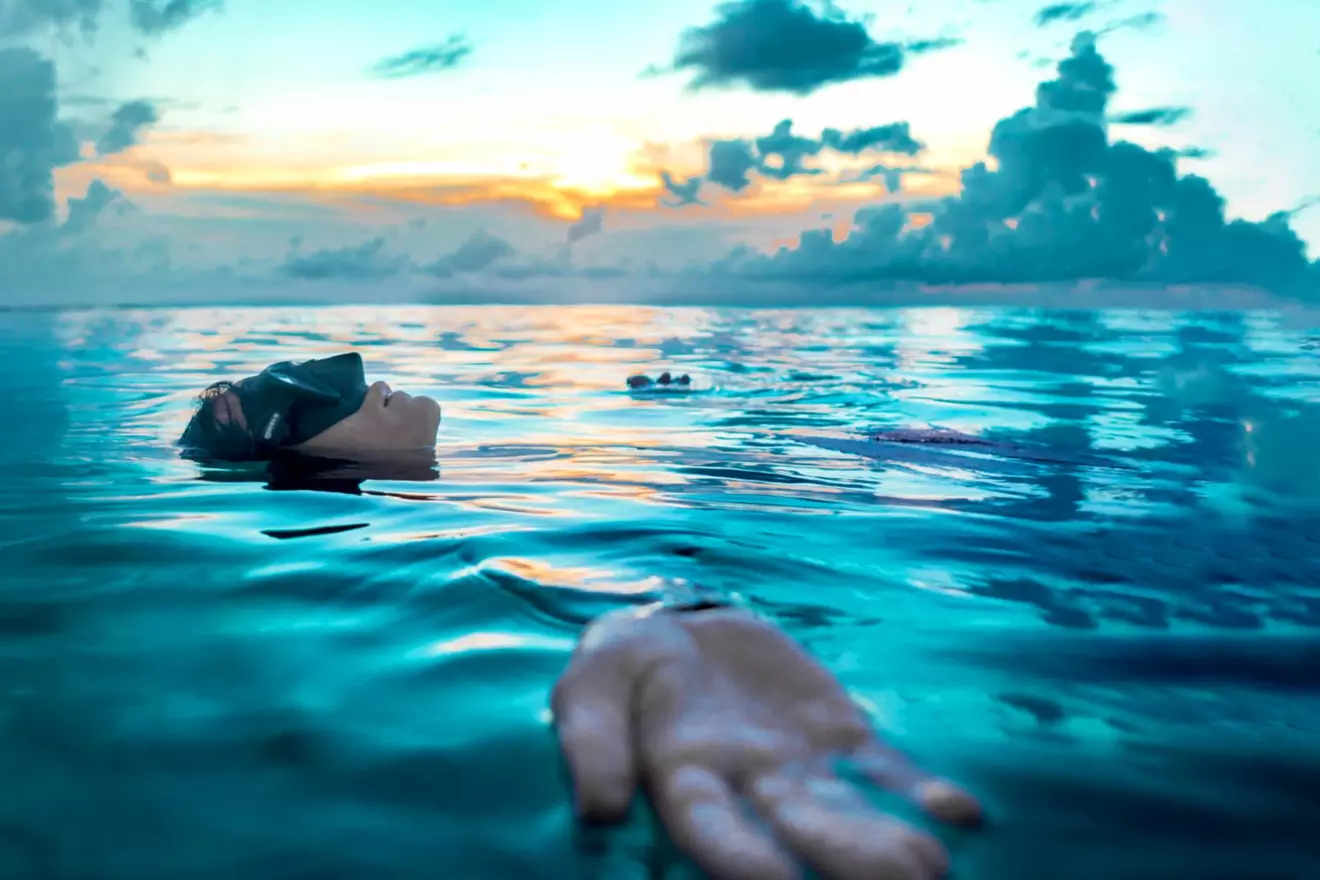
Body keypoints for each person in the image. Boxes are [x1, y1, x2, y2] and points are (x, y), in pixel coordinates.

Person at [179, 353, 985, 880]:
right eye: (320, 396)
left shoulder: (494, 465)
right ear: (307, 463)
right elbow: (531, 562)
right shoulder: (438, 522)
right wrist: (675, 616)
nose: (360, 372)